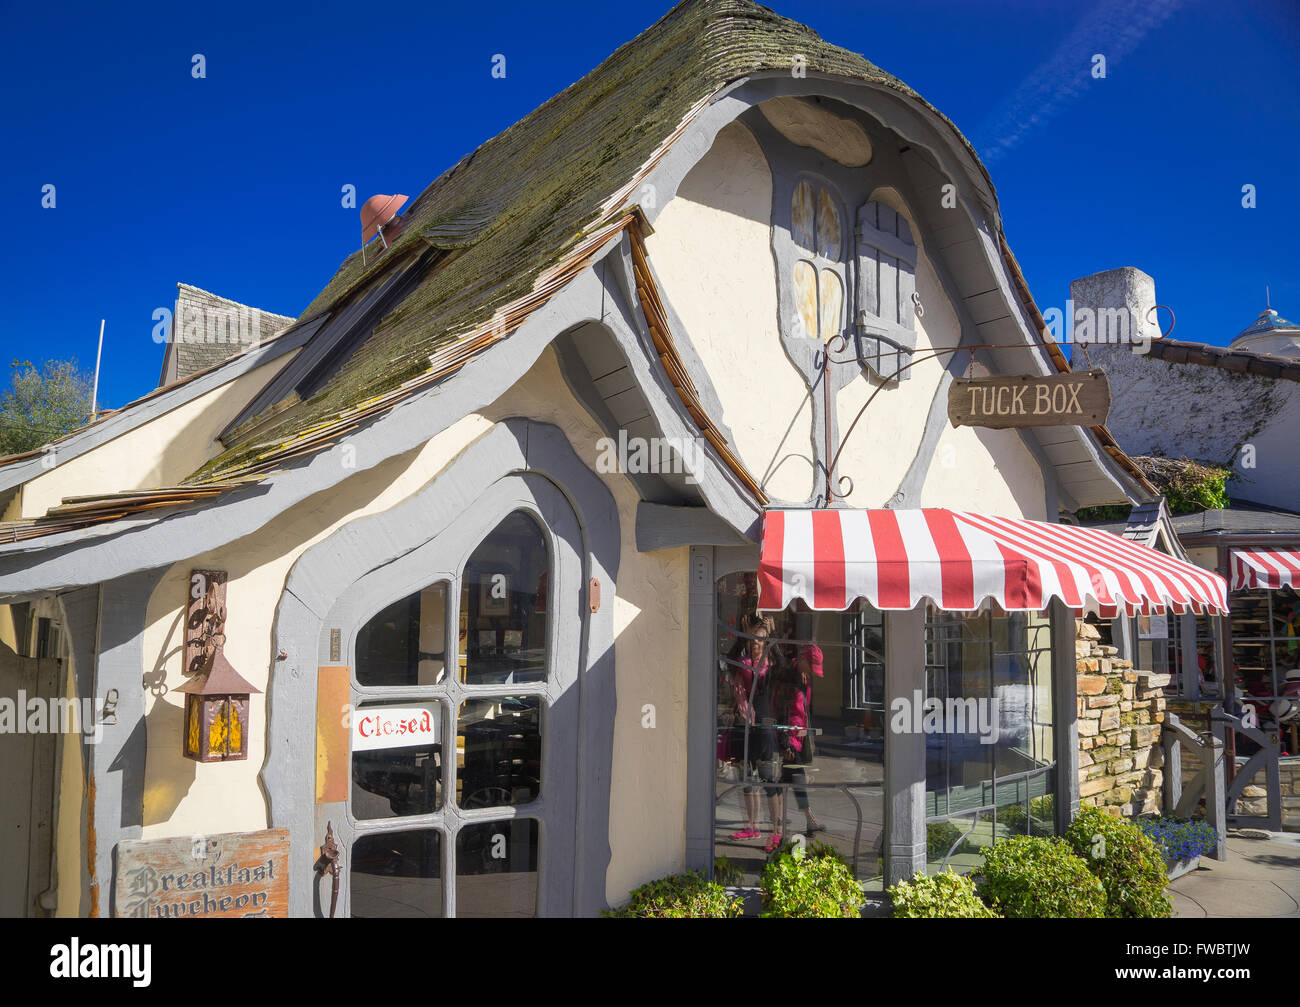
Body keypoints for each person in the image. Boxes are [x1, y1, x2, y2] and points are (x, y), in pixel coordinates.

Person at [725, 614, 782, 845]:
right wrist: (743, 636)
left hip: (765, 728)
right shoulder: (742, 663)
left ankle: (776, 831)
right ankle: (752, 826)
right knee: (747, 780)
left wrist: (773, 635)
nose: (756, 643)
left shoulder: (771, 666)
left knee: (768, 780)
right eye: (752, 639)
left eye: (760, 639)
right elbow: (729, 659)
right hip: (744, 727)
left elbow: (784, 664)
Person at [773, 644, 825, 841]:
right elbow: (781, 710)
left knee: (787, 780)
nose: (812, 671)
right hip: (791, 737)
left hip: (799, 735)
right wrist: (785, 740)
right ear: (803, 660)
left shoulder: (803, 678)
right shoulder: (788, 677)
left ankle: (778, 823)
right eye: (811, 666)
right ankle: (802, 821)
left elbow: (803, 710)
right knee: (796, 777)